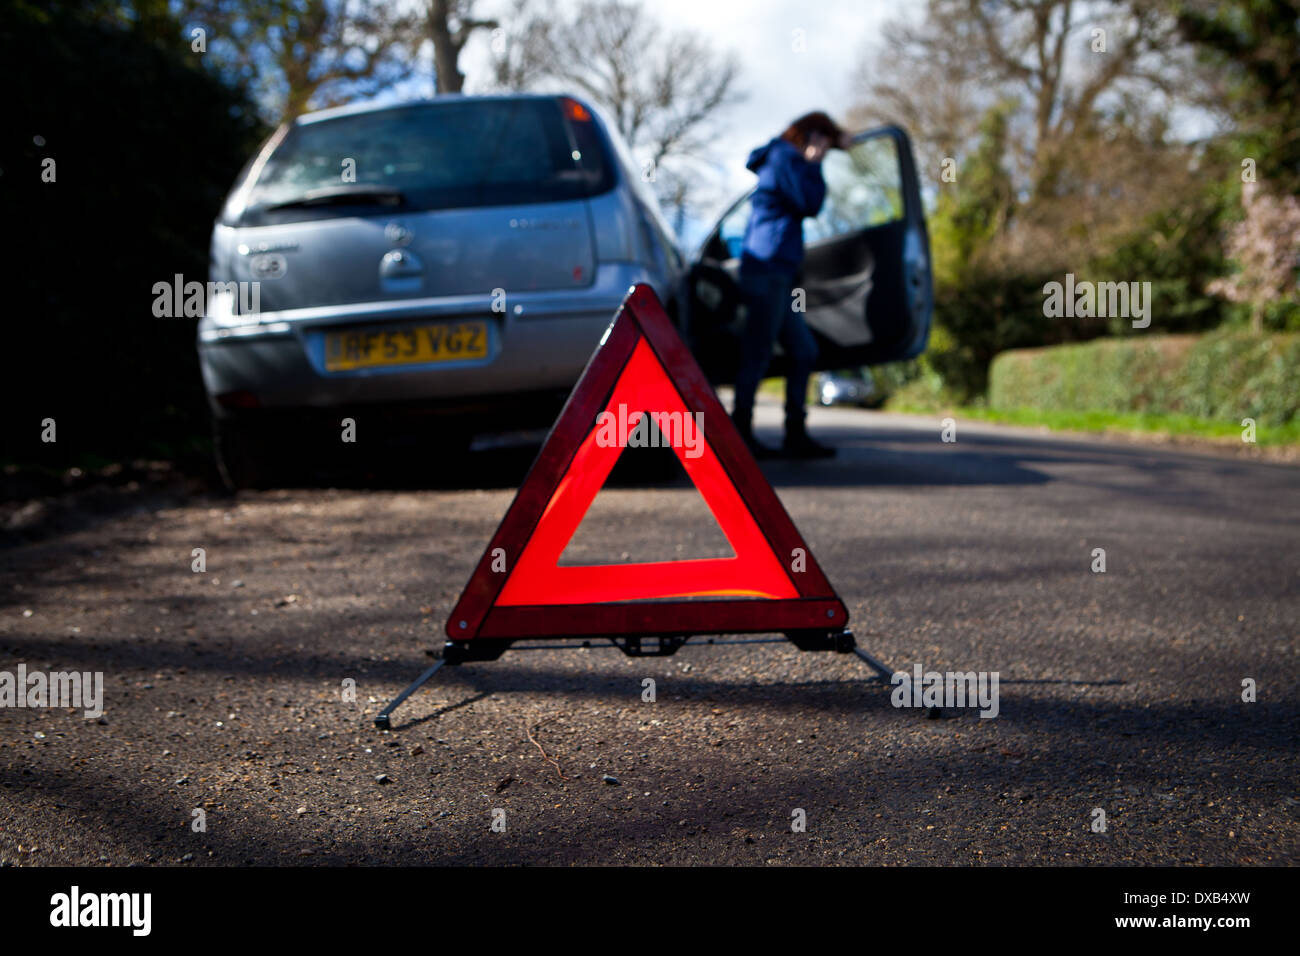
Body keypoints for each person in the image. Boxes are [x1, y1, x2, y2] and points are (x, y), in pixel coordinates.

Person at [732, 111, 850, 459]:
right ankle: (739, 435)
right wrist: (813, 163)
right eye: (824, 144)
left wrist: (840, 141)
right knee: (758, 351)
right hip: (768, 267)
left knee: (803, 352)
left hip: (777, 270)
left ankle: (795, 434)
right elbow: (809, 203)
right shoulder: (786, 159)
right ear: (812, 139)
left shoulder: (780, 157)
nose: (825, 152)